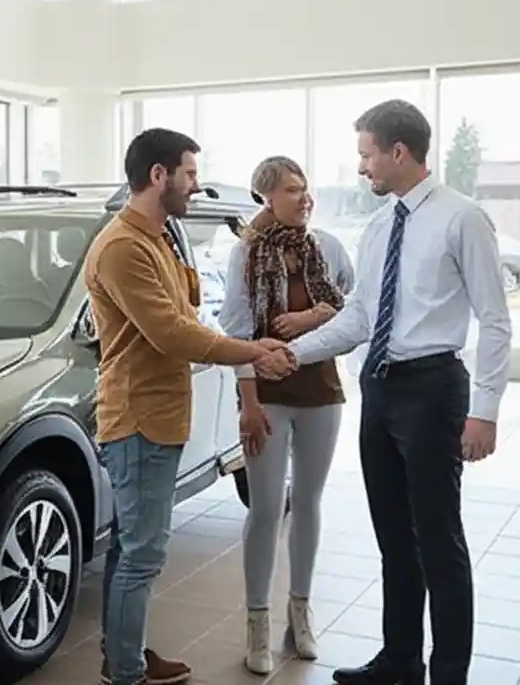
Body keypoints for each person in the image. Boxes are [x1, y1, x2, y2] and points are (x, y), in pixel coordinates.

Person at [261, 100, 512, 685]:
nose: (362, 168)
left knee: (439, 541)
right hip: (380, 390)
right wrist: (292, 353)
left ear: (398, 152)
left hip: (433, 390)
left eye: (367, 155)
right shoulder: (380, 227)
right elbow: (360, 320)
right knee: (394, 538)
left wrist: (486, 412)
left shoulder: (461, 217)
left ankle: (448, 673)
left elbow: (495, 321)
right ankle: (400, 658)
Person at [86, 128, 290, 685]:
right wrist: (251, 351)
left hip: (159, 417)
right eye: (191, 174)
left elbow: (191, 306)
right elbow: (172, 333)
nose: (196, 186)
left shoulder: (158, 236)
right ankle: (126, 672)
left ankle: (122, 655)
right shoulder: (123, 246)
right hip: (137, 422)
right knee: (143, 556)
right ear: (159, 175)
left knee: (131, 547)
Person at [217, 156, 355, 675]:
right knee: (267, 508)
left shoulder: (328, 247)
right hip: (267, 394)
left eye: (306, 188)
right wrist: (249, 403)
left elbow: (350, 304)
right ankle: (257, 622)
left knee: (311, 503)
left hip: (321, 388)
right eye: (293, 190)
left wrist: (313, 315)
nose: (304, 198)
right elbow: (236, 329)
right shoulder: (246, 254)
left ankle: (300, 614)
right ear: (266, 197)